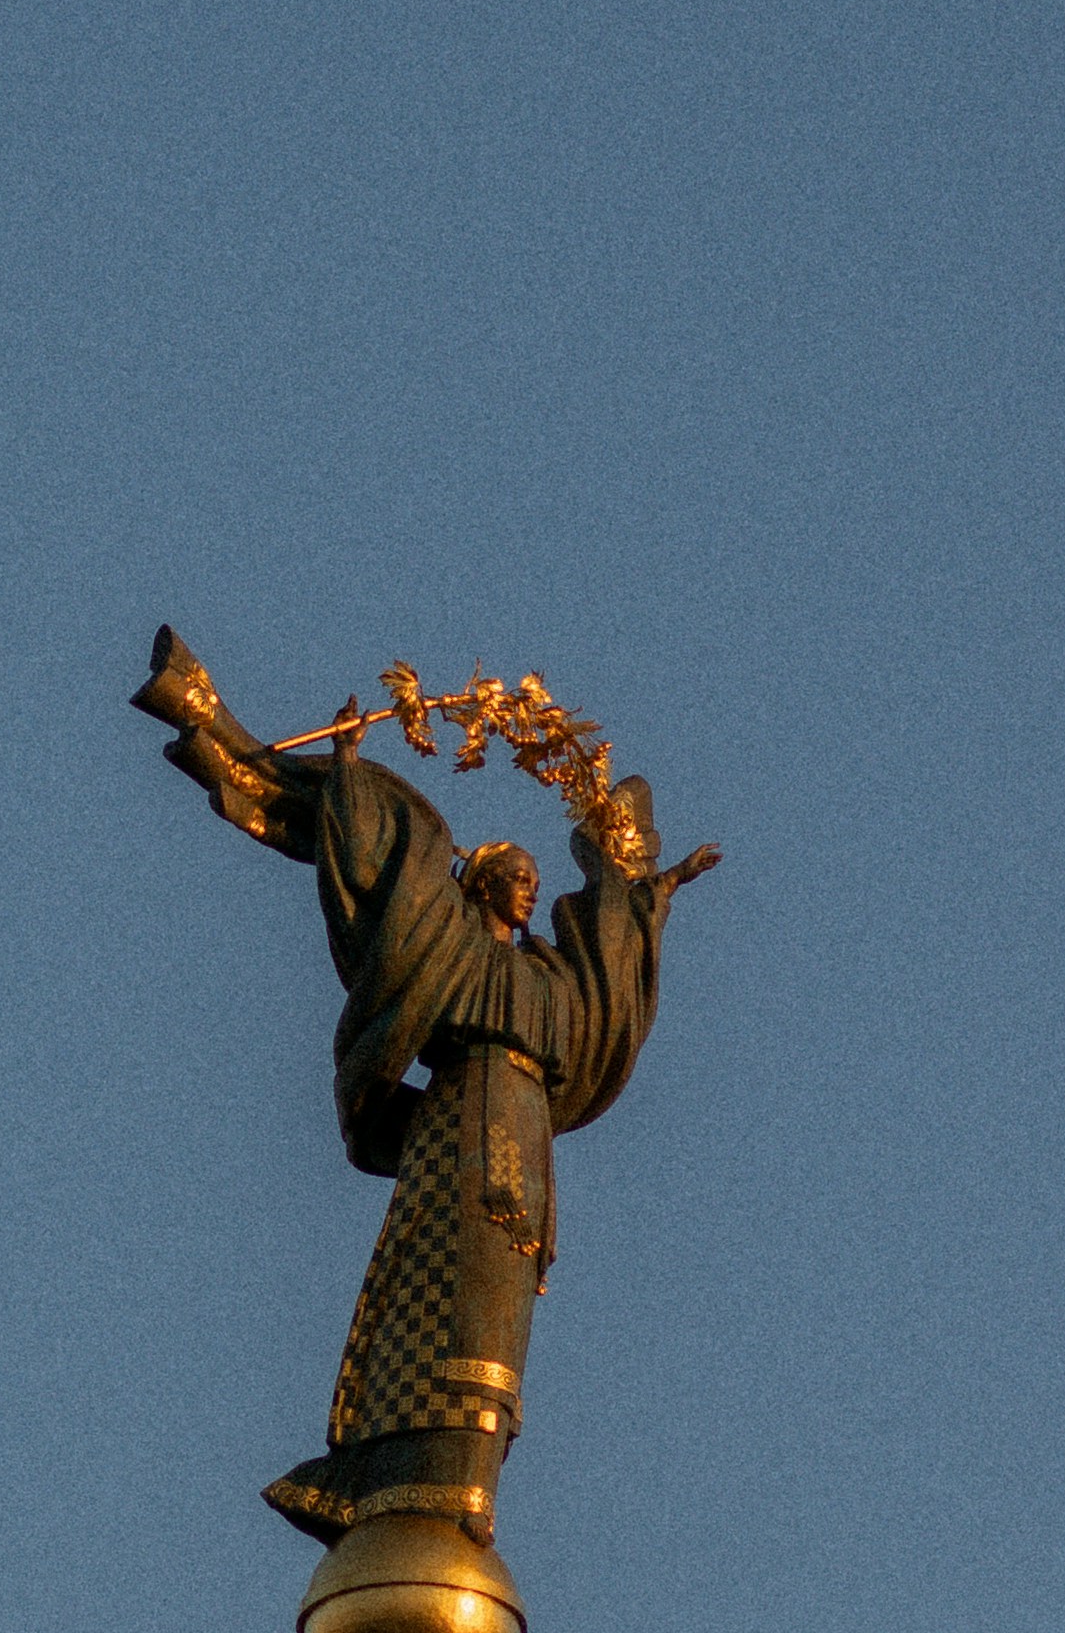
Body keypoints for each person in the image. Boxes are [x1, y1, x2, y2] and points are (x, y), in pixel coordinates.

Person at [132, 629, 718, 1546]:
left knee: (500, 1305)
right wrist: (356, 778)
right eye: (514, 878)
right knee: (438, 1290)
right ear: (481, 884)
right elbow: (389, 876)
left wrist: (643, 894)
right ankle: (391, 1467)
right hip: (456, 1126)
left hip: (521, 1134)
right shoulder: (440, 946)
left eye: (533, 879)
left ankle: (458, 1482)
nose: (528, 891)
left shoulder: (551, 986)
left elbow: (607, 973)